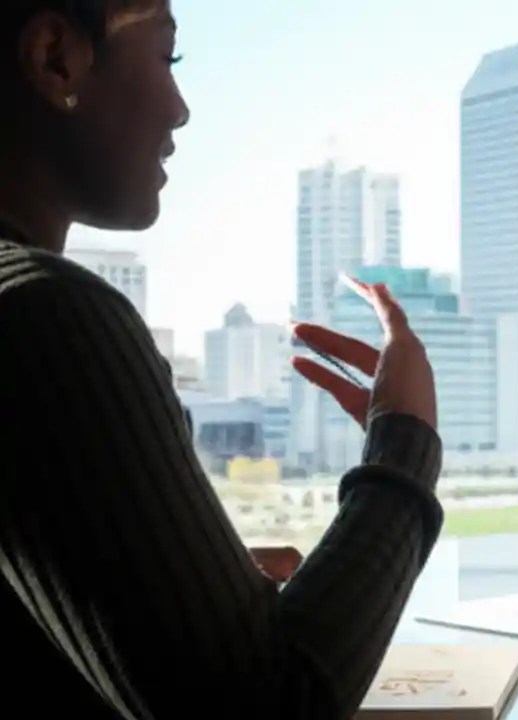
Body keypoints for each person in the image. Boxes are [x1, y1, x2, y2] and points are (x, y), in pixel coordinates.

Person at [0, 2, 445, 718]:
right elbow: (265, 705)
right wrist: (407, 439)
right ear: (56, 57)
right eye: (166, 58)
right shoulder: (47, 319)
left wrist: (173, 598)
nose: (180, 111)